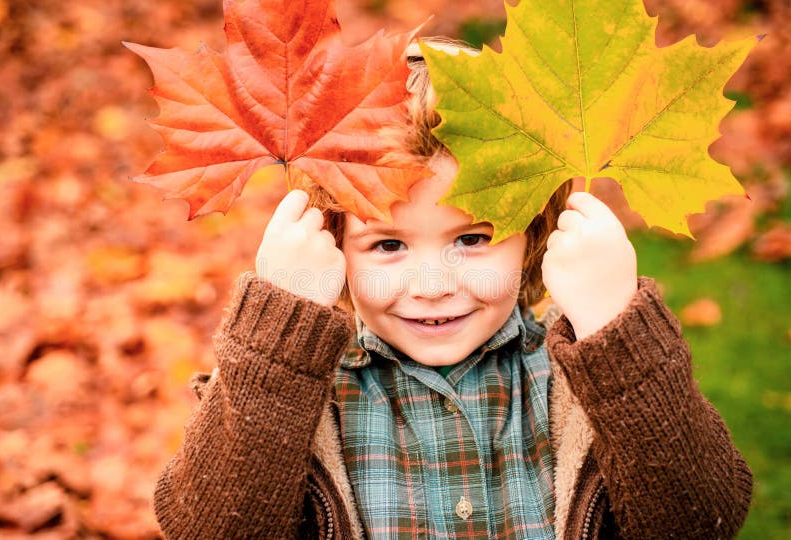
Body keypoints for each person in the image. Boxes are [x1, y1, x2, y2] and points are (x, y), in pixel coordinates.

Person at [151, 43, 752, 539]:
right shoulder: (295, 394)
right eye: (388, 246)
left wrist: (614, 331)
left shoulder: (585, 381)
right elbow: (204, 527)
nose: (433, 287)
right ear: (331, 248)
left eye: (472, 238)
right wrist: (279, 332)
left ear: (533, 233)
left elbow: (703, 521)